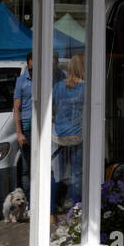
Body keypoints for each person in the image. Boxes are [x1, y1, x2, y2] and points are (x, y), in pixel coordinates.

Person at [51, 52, 86, 215]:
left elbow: (52, 109)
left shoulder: (58, 86)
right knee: (76, 174)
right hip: (77, 136)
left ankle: (51, 210)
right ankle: (76, 209)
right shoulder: (85, 87)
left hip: (59, 136)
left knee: (57, 175)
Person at [13, 52, 33, 202]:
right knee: (26, 168)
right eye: (32, 62)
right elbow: (16, 108)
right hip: (27, 127)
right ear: (28, 63)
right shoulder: (21, 80)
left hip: (43, 126)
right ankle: (30, 203)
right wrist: (19, 133)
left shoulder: (46, 78)